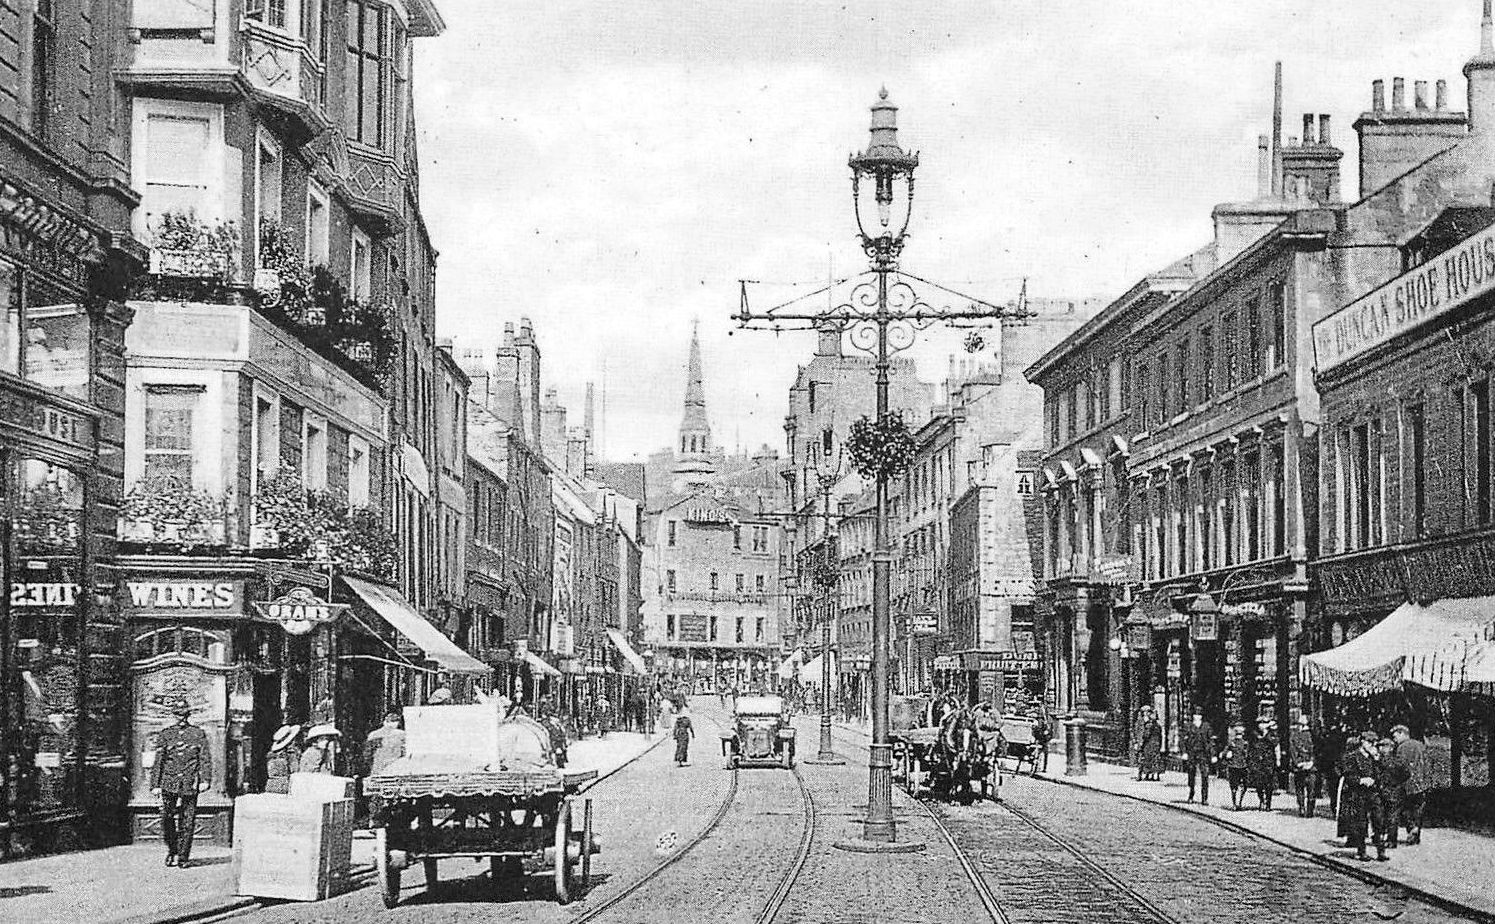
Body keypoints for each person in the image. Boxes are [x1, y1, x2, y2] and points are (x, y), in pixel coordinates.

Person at [151, 698, 213, 869]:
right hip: (169, 781)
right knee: (166, 818)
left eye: (184, 714)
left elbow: (205, 759)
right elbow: (159, 761)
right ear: (174, 715)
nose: (181, 718)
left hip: (189, 781)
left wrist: (205, 780)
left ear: (188, 715)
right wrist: (155, 784)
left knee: (188, 820)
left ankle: (183, 857)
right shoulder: (166, 734)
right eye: (178, 715)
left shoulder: (197, 733)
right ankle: (172, 850)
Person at [1341, 730, 1389, 862]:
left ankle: (1381, 851)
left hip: (1373, 793)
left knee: (1379, 821)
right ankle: (1361, 851)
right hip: (1358, 793)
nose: (1372, 745)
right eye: (1369, 742)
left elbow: (1383, 773)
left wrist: (1378, 760)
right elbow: (1347, 774)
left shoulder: (1374, 757)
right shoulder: (1351, 756)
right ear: (1362, 742)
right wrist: (1360, 780)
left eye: (1374, 742)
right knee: (1361, 822)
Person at [1392, 725, 1431, 846]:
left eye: (1395, 736)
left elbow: (1400, 766)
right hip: (1422, 783)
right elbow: (1427, 764)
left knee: (1402, 809)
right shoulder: (1421, 745)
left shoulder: (1402, 748)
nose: (1394, 739)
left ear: (1402, 733)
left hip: (1406, 783)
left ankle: (1411, 828)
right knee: (1417, 809)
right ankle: (1415, 833)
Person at [1376, 737, 1410, 849]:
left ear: (1390, 748)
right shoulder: (1398, 760)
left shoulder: (1381, 761)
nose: (1380, 748)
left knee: (1389, 817)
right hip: (1395, 791)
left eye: (1383, 746)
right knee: (1391, 816)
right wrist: (1398, 783)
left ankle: (1389, 839)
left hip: (1387, 791)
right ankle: (1390, 839)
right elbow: (1406, 774)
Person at [1181, 707, 1216, 805]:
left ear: (1201, 716)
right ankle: (1191, 794)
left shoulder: (1206, 726)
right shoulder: (1188, 726)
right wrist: (1184, 752)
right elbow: (1183, 741)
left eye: (1199, 715)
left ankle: (1204, 798)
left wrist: (1213, 755)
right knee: (1191, 774)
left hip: (1203, 754)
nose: (1197, 717)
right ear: (1193, 716)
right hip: (1192, 753)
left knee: (1205, 775)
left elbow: (1211, 742)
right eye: (1195, 715)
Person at [1288, 715, 1318, 818]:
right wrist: (1298, 763)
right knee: (1301, 788)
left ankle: (1309, 809)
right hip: (1302, 766)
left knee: (1310, 789)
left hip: (1309, 766)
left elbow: (1316, 750)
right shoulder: (1295, 735)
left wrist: (1311, 762)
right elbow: (1292, 750)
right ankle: (1302, 808)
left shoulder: (1313, 735)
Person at [1247, 718, 1279, 811]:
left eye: (1264, 723)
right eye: (1260, 723)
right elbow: (1250, 748)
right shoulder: (1254, 735)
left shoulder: (1272, 734)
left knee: (1269, 784)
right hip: (1257, 762)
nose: (1262, 725)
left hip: (1269, 762)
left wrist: (1267, 734)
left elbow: (1276, 743)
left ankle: (1268, 803)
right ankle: (1261, 800)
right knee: (1258, 783)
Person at [363, 712, 406, 778]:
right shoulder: (402, 735)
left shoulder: (374, 735)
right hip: (394, 769)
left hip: (379, 768)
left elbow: (367, 755)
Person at [264, 724, 301, 794]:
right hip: (283, 786)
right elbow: (294, 771)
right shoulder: (287, 756)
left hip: (272, 785)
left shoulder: (272, 756)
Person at [1221, 723, 1249, 810]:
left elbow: (1223, 754)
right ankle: (1238, 804)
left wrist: (1227, 754)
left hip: (1234, 766)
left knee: (1234, 786)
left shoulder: (1232, 743)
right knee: (1242, 786)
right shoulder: (1244, 743)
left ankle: (1235, 804)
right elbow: (1247, 755)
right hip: (1241, 766)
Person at [1138, 709, 1164, 782]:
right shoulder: (1158, 726)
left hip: (1149, 745)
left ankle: (1147, 775)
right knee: (1155, 760)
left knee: (1147, 759)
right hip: (1156, 744)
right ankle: (1154, 775)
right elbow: (1160, 737)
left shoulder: (1149, 725)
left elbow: (1146, 735)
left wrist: (1142, 744)